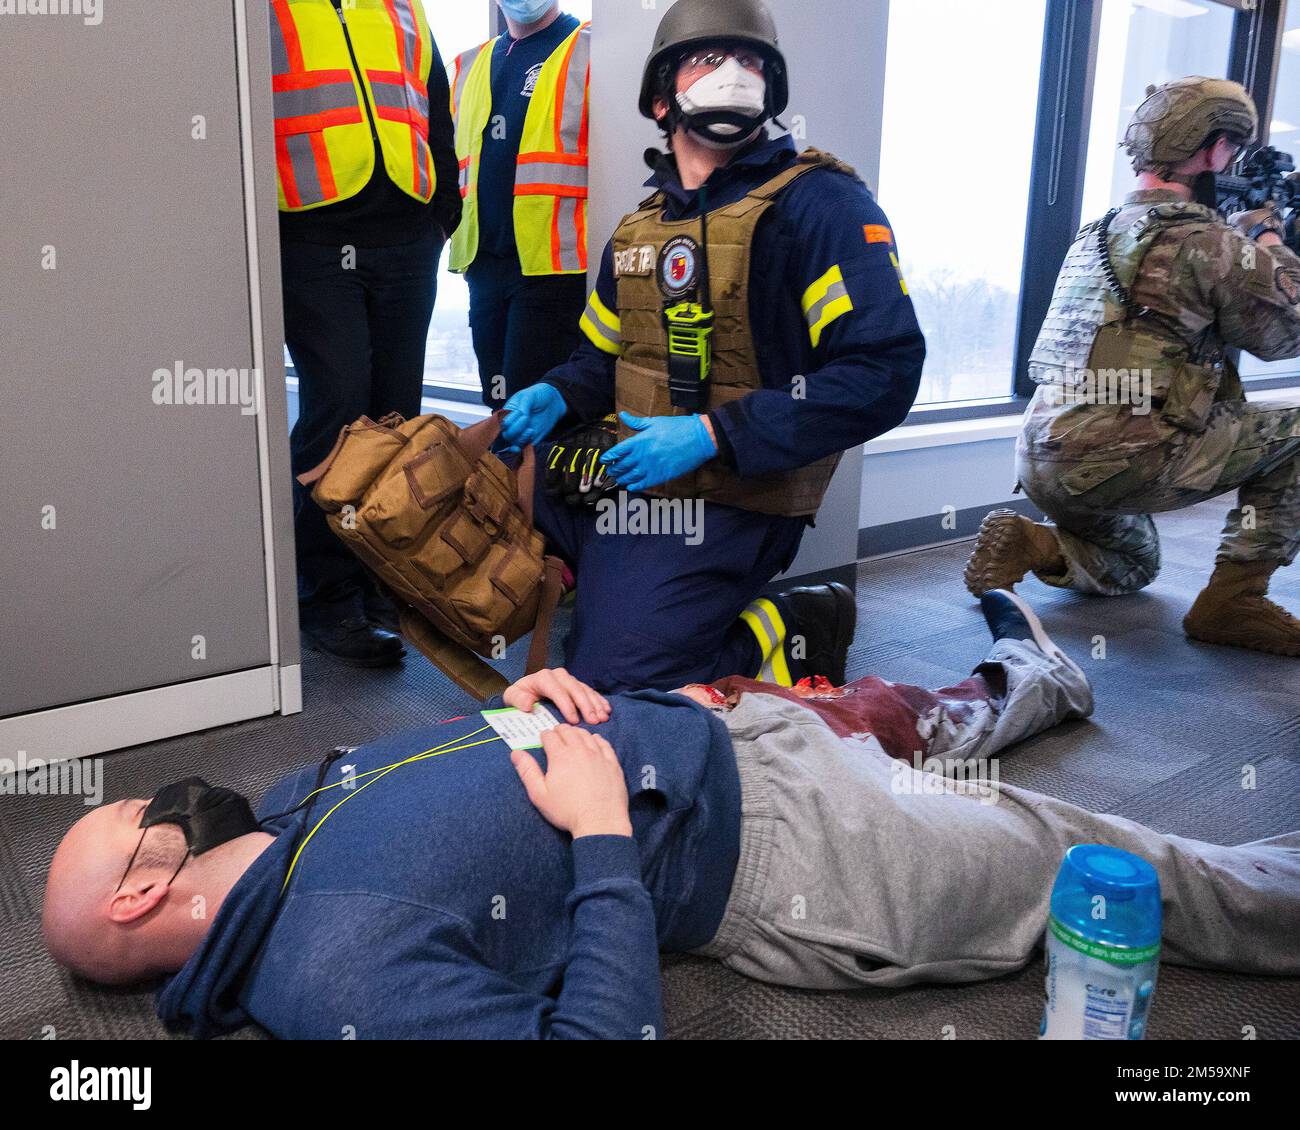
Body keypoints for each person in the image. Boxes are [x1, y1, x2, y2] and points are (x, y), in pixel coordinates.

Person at [43, 590, 1300, 1038]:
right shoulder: (327, 968)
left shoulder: (282, 812)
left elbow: (465, 806)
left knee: (989, 765)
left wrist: (519, 707)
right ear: (145, 890)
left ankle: (1025, 687)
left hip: (728, 738)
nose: (161, 800)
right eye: (137, 822)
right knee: (1133, 874)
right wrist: (598, 832)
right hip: (804, 859)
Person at [498, 0, 926, 694]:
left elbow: (884, 372)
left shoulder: (821, 208)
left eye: (750, 61)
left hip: (730, 498)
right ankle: (617, 590)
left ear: (771, 90)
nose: (733, 74)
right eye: (707, 59)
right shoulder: (639, 229)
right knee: (449, 504)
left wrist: (713, 433)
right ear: (663, 99)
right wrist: (556, 392)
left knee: (619, 692)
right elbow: (599, 362)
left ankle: (787, 627)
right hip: (627, 470)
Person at [964, 77, 1300, 658]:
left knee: (1134, 562)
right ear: (1215, 148)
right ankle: (1235, 601)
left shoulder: (1097, 232)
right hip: (1126, 458)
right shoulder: (1210, 241)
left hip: (1047, 456)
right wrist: (1269, 235)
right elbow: (1285, 332)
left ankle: (1033, 543)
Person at [275, 0, 462, 666]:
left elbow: (435, 108)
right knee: (339, 408)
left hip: (406, 238)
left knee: (395, 415)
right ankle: (324, 593)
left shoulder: (404, 8)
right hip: (310, 235)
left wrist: (443, 211)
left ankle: (382, 579)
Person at [448, 3, 592, 409]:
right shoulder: (467, 65)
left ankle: (531, 474)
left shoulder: (589, 48)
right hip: (484, 267)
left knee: (533, 410)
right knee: (499, 407)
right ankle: (503, 474)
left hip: (553, 268)